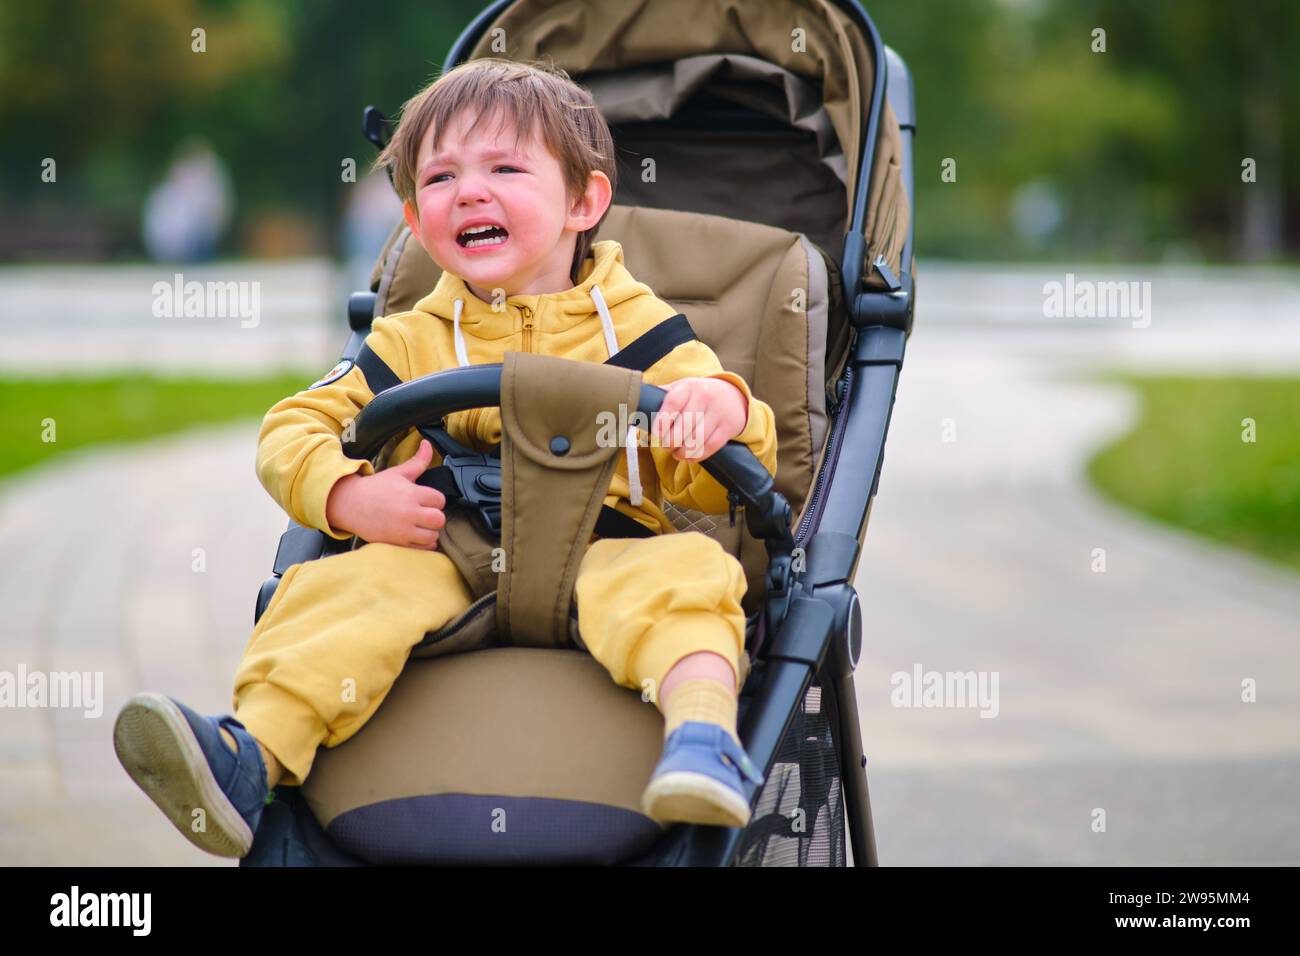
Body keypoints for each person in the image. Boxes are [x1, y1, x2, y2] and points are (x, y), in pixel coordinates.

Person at [113, 57, 778, 858]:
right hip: (444, 555)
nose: (469, 191)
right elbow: (292, 428)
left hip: (608, 548)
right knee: (337, 593)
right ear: (415, 219)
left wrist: (722, 411)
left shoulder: (642, 328)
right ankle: (250, 755)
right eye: (440, 178)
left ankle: (703, 739)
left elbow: (717, 476)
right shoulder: (408, 340)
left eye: (504, 168)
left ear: (583, 201)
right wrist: (348, 497)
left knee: (693, 579)